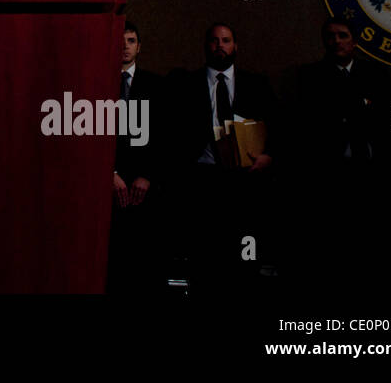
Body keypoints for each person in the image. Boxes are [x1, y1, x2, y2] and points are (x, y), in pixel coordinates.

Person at [281, 18, 391, 288]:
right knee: (333, 243)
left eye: (343, 35)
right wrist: (360, 106)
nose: (336, 41)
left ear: (354, 41)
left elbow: (389, 117)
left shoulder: (375, 74)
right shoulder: (311, 75)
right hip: (329, 171)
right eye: (330, 36)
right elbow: (312, 121)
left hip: (370, 169)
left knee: (370, 240)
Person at [166, 23, 277, 292]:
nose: (220, 46)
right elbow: (170, 131)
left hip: (244, 179)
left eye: (226, 40)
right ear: (206, 46)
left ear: (235, 46)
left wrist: (269, 156)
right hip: (201, 179)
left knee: (242, 250)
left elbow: (278, 126)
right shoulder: (185, 84)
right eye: (214, 41)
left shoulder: (257, 83)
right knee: (204, 252)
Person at [107, 21, 165, 294]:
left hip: (144, 185)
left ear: (139, 46)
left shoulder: (156, 85)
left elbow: (165, 137)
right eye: (120, 40)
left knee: (141, 262)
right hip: (106, 184)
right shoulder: (95, 80)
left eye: (130, 40)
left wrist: (147, 175)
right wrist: (110, 172)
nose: (124, 46)